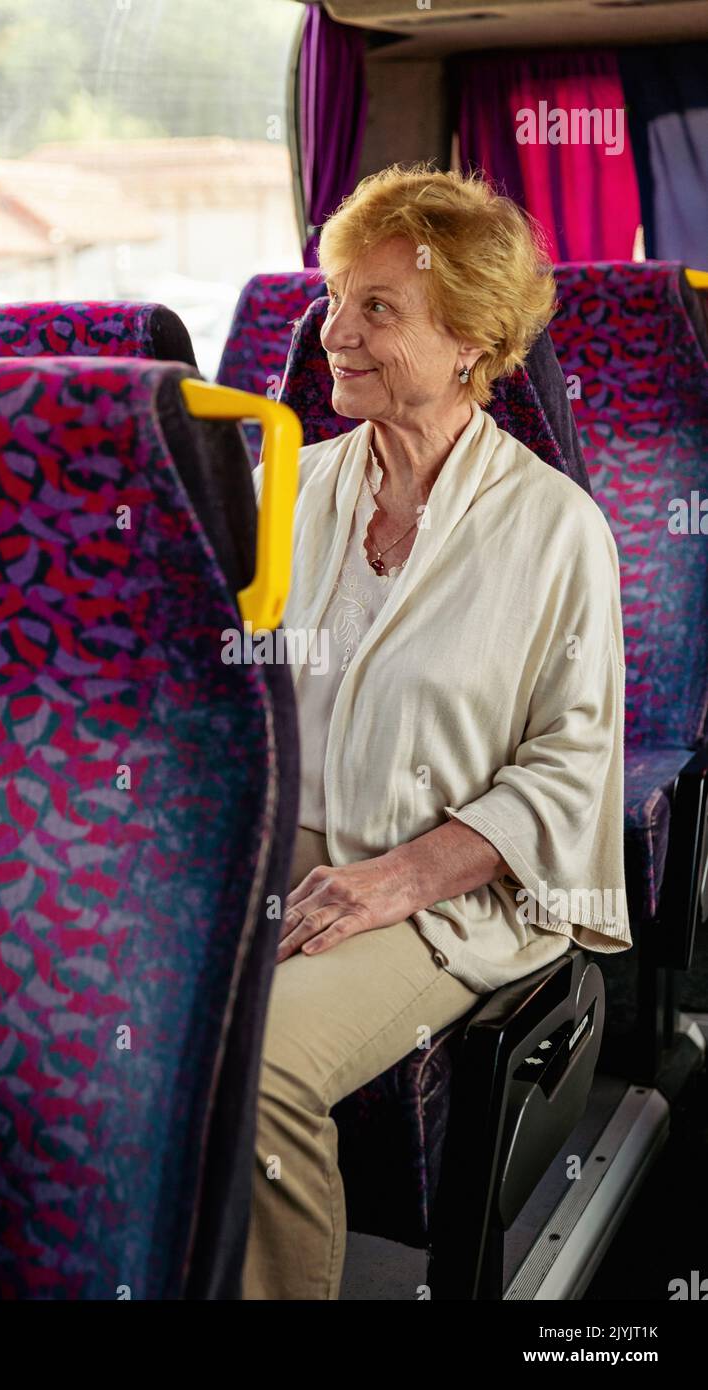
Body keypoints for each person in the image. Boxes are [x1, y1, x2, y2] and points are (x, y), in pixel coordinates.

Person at [241, 164, 631, 1301]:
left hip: (442, 890)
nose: (332, 332)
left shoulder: (555, 529)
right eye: (332, 297)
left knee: (253, 1065)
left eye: (376, 307)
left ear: (466, 337)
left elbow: (570, 767)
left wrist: (391, 880)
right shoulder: (285, 486)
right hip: (281, 858)